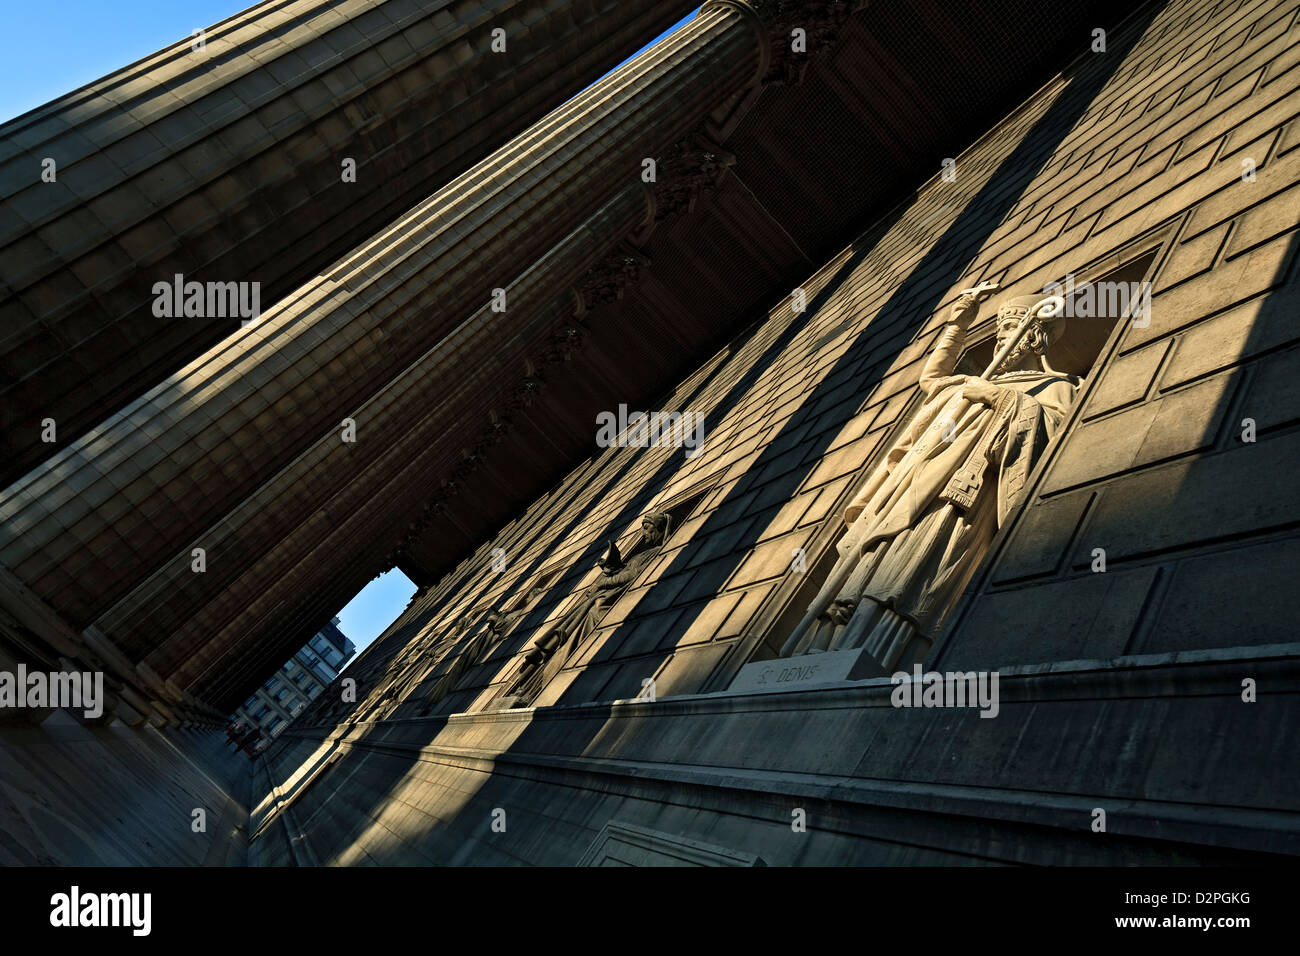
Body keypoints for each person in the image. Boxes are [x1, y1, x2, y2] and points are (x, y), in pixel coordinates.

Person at [783, 287, 1081, 670]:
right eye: (1000, 332)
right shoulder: (964, 386)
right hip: (910, 486)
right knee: (873, 556)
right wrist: (957, 325)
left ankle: (880, 654)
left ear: (1035, 337)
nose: (1001, 340)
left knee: (913, 574)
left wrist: (999, 399)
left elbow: (1052, 434)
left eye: (1010, 330)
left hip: (960, 499)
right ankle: (824, 646)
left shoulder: (1060, 386)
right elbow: (933, 380)